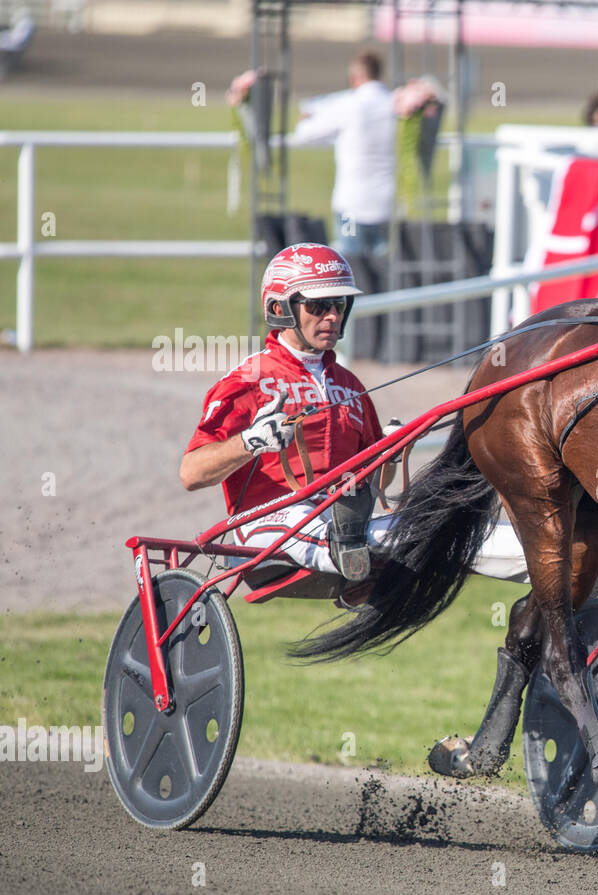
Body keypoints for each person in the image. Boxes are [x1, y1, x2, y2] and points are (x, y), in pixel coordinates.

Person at [180, 243, 529, 587]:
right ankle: (347, 549)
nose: (332, 316)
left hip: (345, 520)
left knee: (443, 530)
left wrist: (389, 453)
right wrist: (251, 441)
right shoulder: (248, 381)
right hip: (264, 526)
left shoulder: (349, 386)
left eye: (339, 304)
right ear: (279, 308)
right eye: (318, 306)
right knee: (338, 528)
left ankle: (555, 570)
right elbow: (192, 473)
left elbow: (376, 485)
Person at [289, 50, 395, 258]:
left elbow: (305, 134)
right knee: (382, 268)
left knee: (351, 265)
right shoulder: (393, 104)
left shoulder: (349, 104)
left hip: (351, 205)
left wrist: (305, 118)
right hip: (385, 202)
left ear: (355, 77)